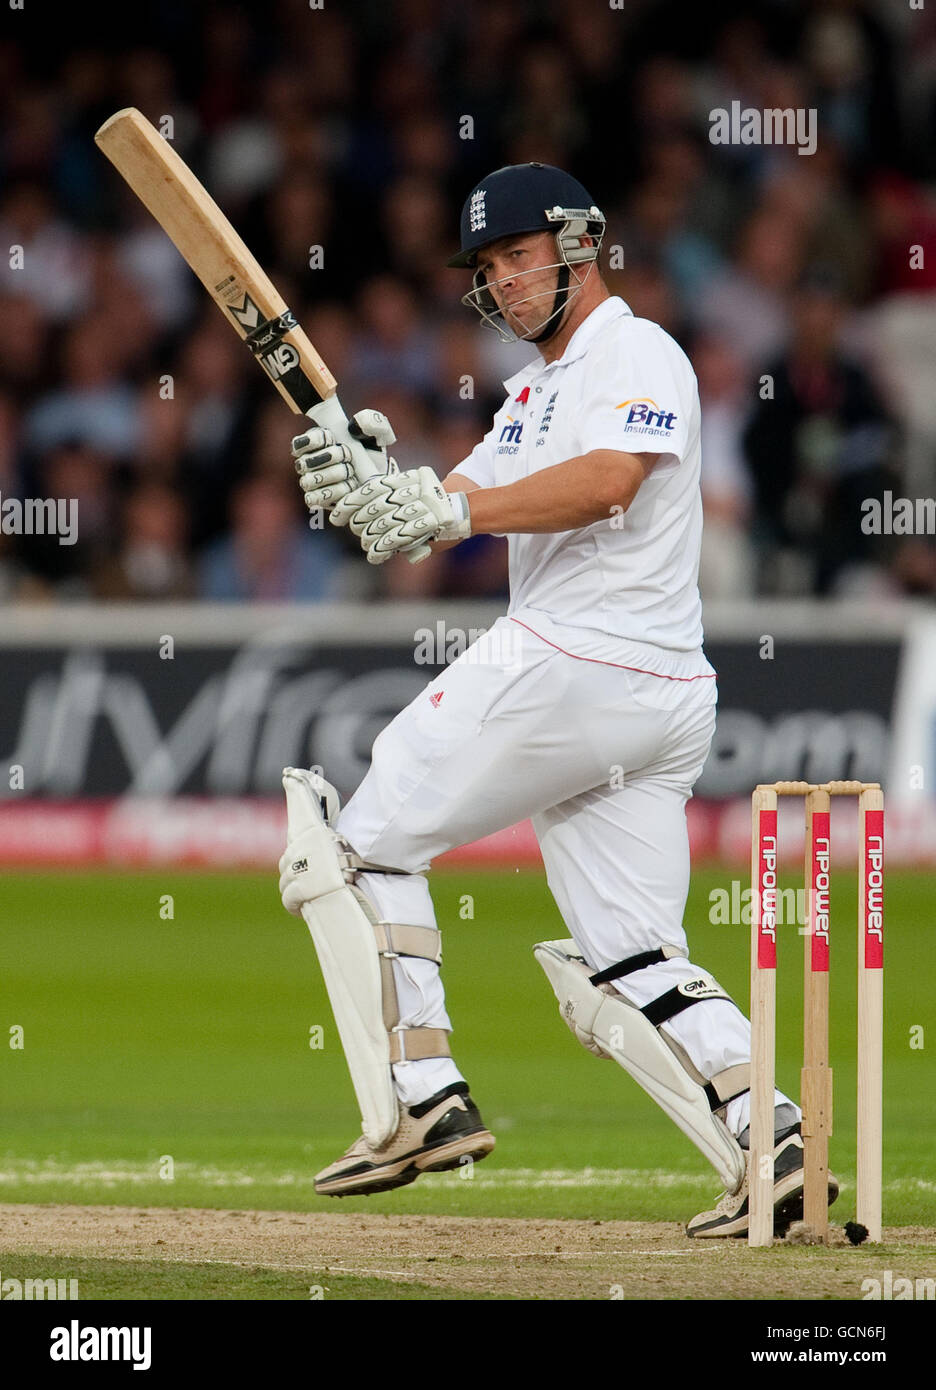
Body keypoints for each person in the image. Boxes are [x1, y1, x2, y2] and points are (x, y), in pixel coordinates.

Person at [279, 163, 828, 1237]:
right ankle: (772, 1142)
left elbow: (608, 482)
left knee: (361, 840)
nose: (500, 282)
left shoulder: (637, 349)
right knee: (632, 950)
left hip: (590, 656)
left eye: (516, 256)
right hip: (645, 696)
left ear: (580, 246)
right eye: (486, 268)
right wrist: (378, 482)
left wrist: (447, 511)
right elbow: (456, 503)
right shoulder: (532, 393)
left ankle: (419, 1096)